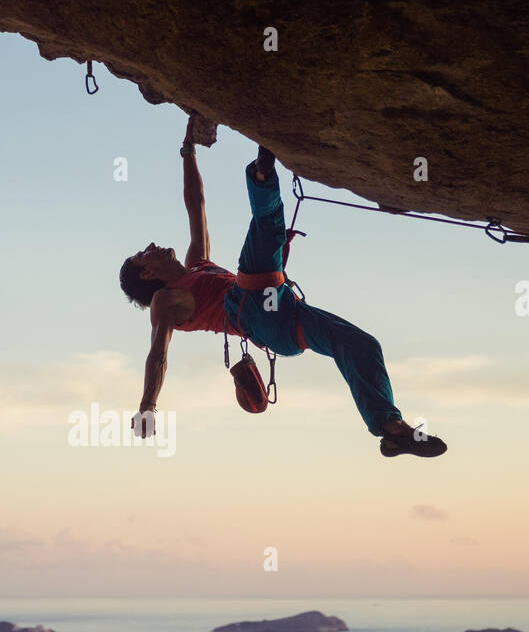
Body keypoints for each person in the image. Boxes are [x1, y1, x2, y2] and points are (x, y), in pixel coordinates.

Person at [119, 116, 447, 458]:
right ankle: (263, 170)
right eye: (144, 254)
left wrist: (187, 151)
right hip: (253, 311)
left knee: (362, 345)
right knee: (266, 232)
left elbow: (196, 202)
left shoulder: (197, 263)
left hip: (283, 320)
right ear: (146, 275)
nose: (152, 245)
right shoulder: (165, 300)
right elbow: (157, 354)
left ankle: (390, 429)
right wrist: (148, 406)